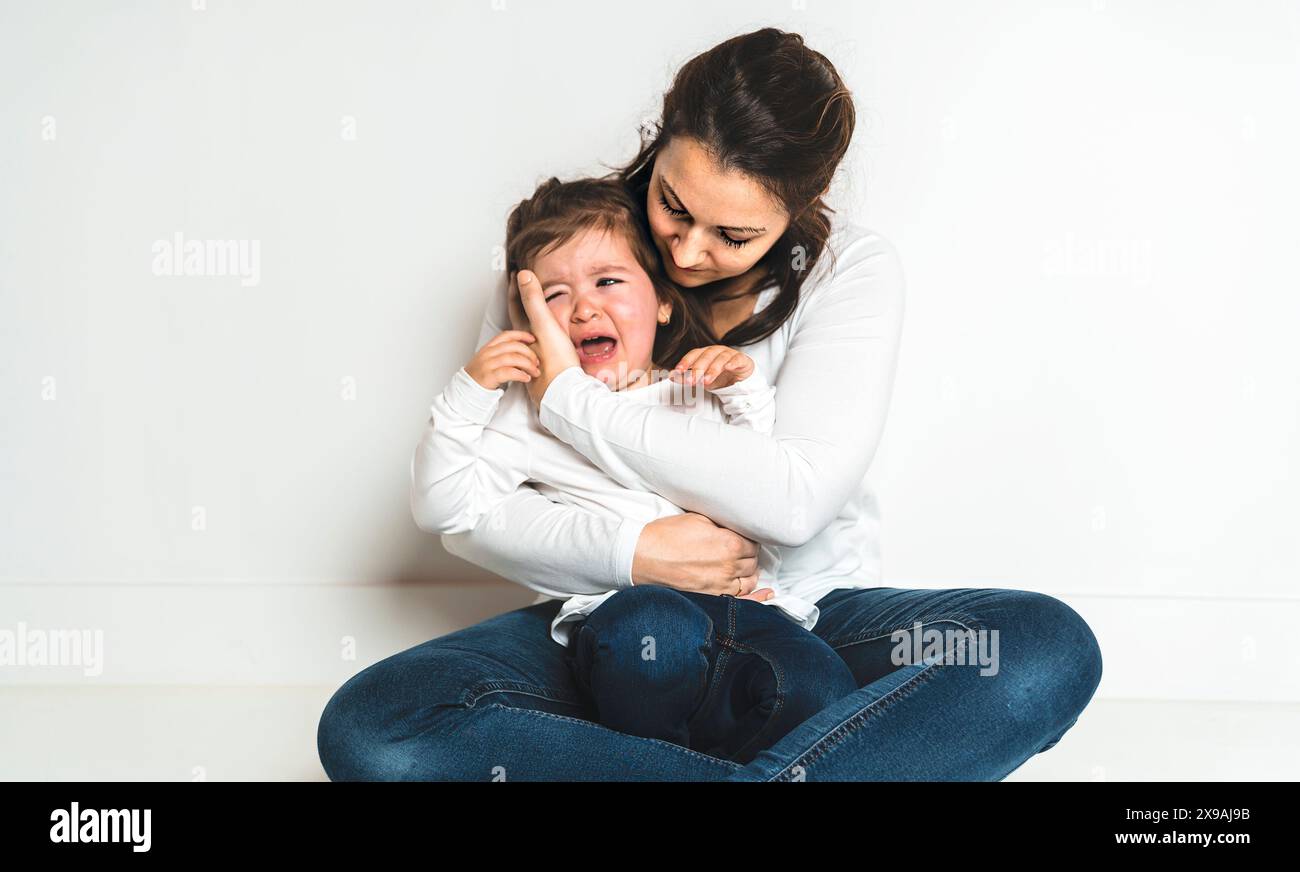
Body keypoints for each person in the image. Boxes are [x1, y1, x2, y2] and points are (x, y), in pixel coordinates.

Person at [318, 28, 1102, 781]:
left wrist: (570, 402)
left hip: (806, 619)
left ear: (803, 203)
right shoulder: (569, 253)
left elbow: (791, 504)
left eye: (731, 235)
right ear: (660, 139)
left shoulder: (851, 273)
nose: (687, 252)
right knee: (378, 726)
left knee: (1042, 647)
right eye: (672, 206)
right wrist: (634, 552)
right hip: (604, 623)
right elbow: (473, 515)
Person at [409, 174, 857, 762]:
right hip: (627, 625)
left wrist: (744, 391)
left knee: (819, 682)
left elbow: (765, 499)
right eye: (553, 295)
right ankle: (657, 757)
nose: (583, 307)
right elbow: (442, 506)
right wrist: (469, 394)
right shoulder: (523, 419)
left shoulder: (691, 391)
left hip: (744, 615)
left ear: (664, 301)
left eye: (608, 281)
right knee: (654, 628)